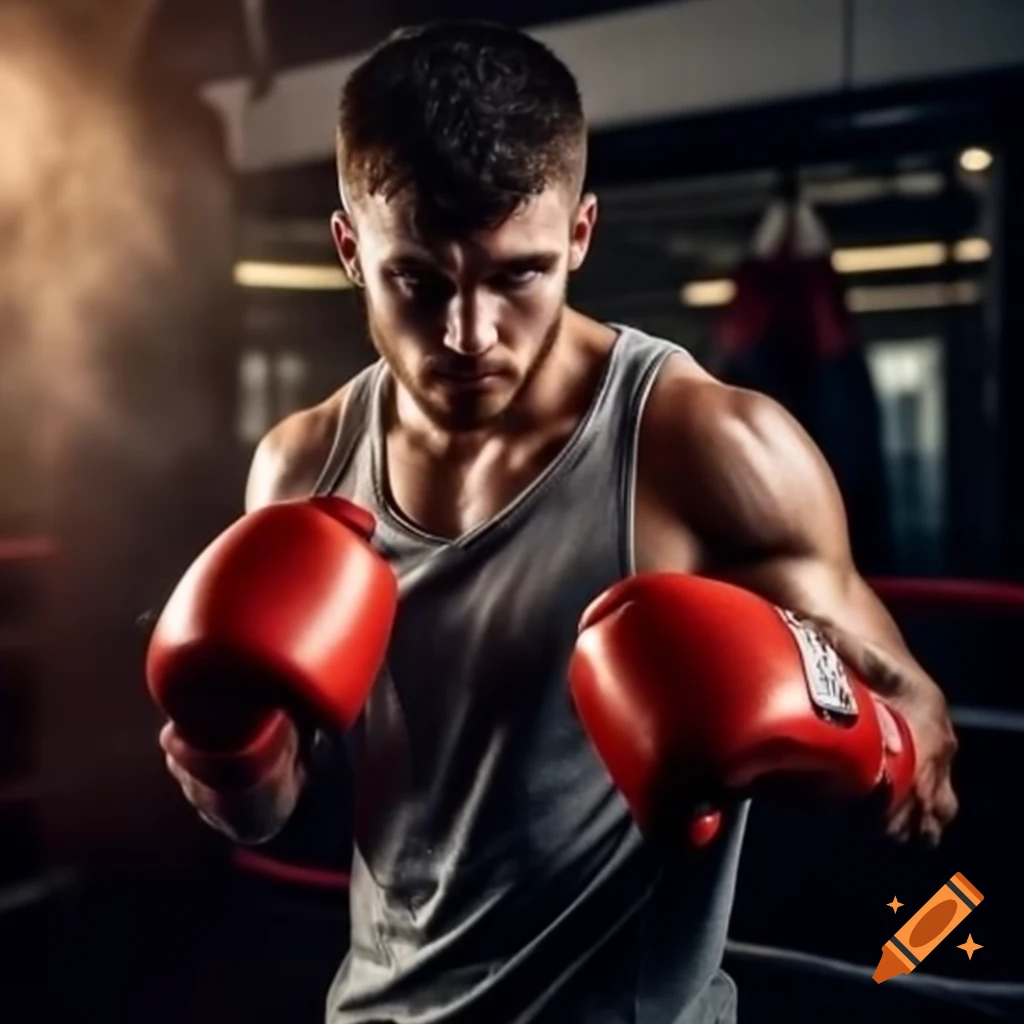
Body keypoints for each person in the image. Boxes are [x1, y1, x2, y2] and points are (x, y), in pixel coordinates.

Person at [160, 21, 958, 1024]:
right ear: (348, 248)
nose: (467, 335)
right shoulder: (300, 468)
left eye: (517, 274)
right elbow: (268, 810)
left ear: (579, 234)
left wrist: (862, 745)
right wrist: (230, 760)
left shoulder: (707, 446)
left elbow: (919, 752)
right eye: (417, 279)